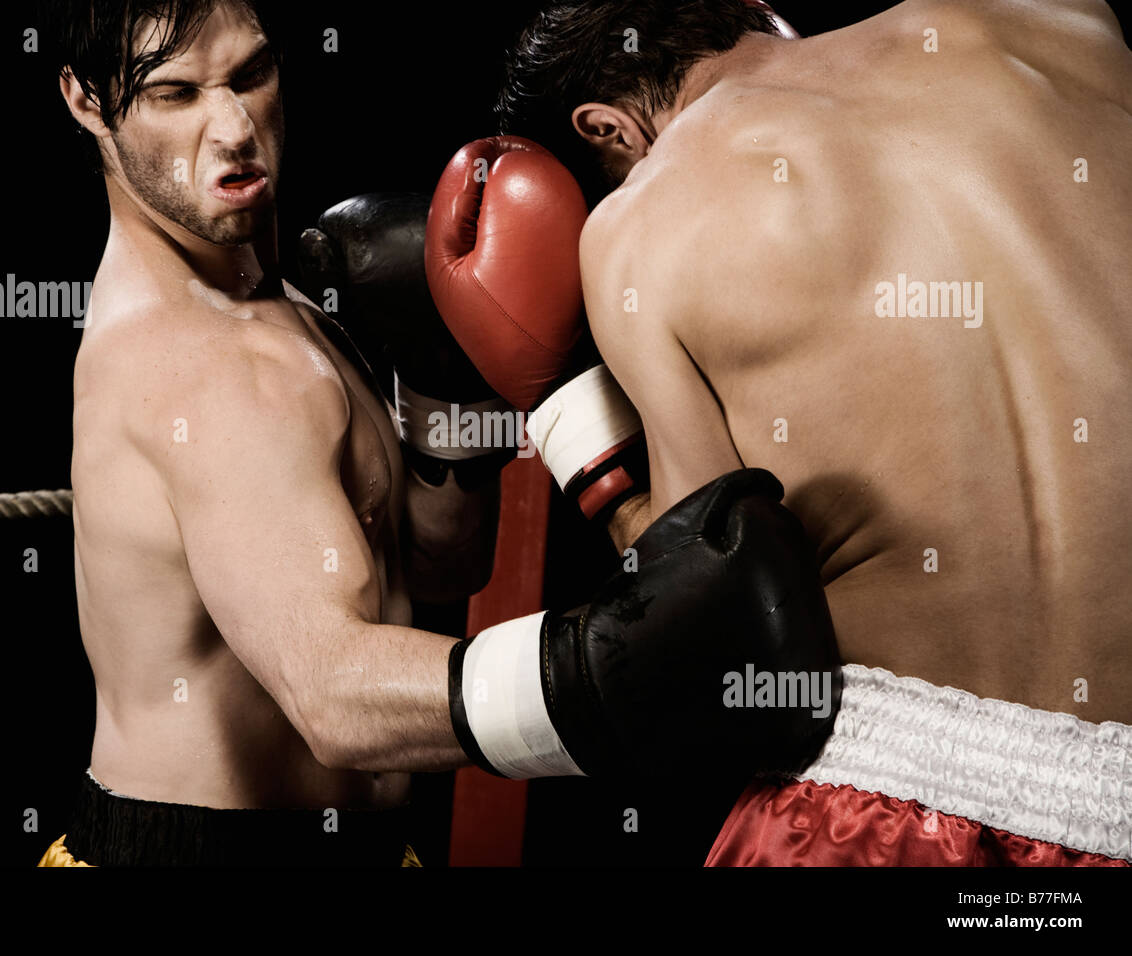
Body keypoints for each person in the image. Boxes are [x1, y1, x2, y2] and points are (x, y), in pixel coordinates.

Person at [38, 0, 839, 866]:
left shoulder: (287, 310)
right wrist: (597, 668)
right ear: (85, 102)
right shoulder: (190, 361)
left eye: (252, 76)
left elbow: (440, 565)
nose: (233, 126)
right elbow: (336, 701)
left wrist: (437, 388)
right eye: (176, 94)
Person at [432, 0, 1132, 865]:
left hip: (878, 807)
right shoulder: (1065, 26)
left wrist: (580, 433)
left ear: (604, 128)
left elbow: (712, 623)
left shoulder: (643, 223)